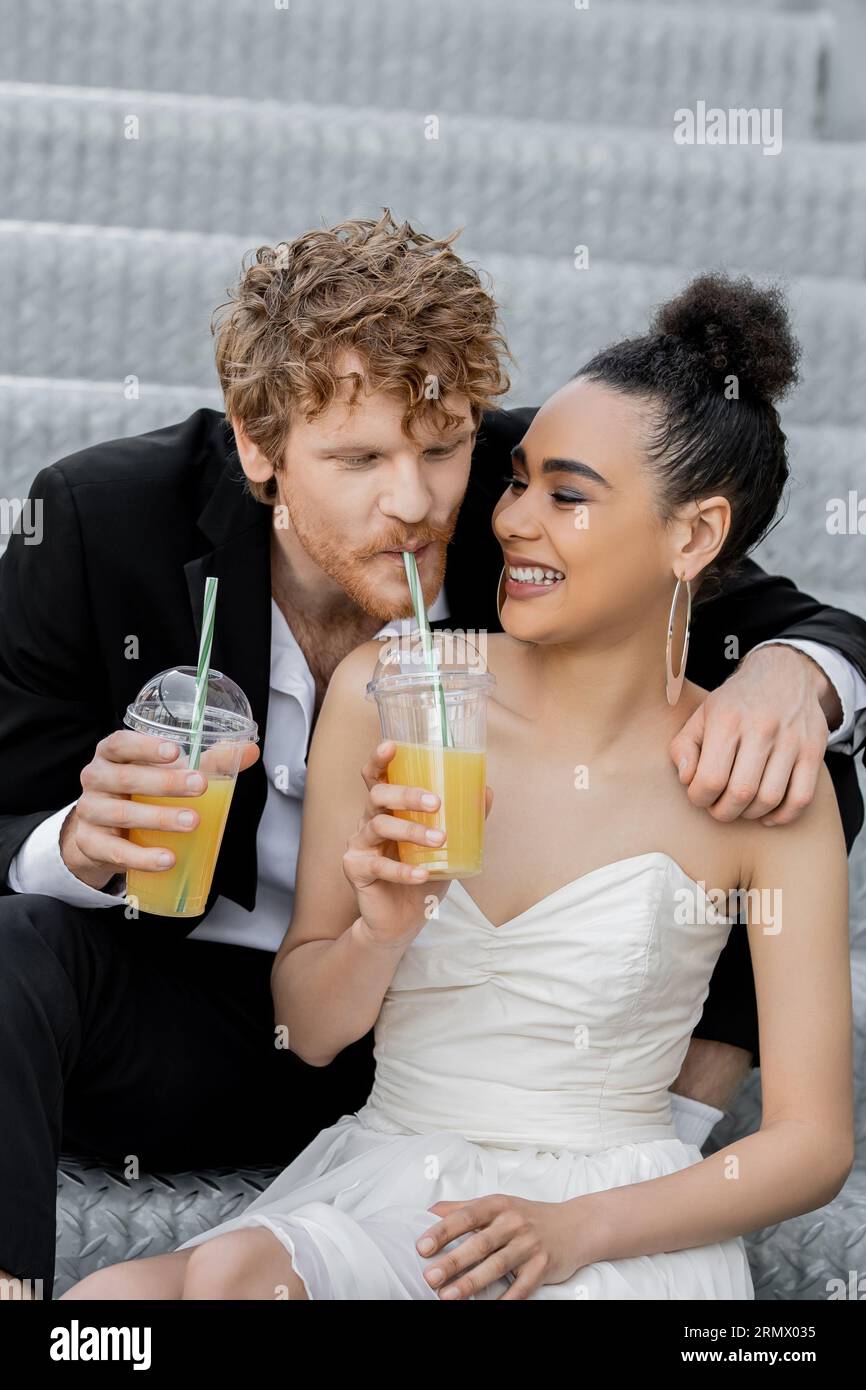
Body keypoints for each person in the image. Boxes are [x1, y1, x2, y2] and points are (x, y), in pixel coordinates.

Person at [2, 215, 864, 1296]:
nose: (418, 504)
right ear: (257, 447)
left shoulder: (515, 481)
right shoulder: (101, 520)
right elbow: (20, 817)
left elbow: (748, 593)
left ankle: (680, 1091)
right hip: (238, 1012)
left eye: (444, 449)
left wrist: (802, 673)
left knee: (787, 754)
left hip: (519, 1077)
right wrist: (79, 845)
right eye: (357, 459)